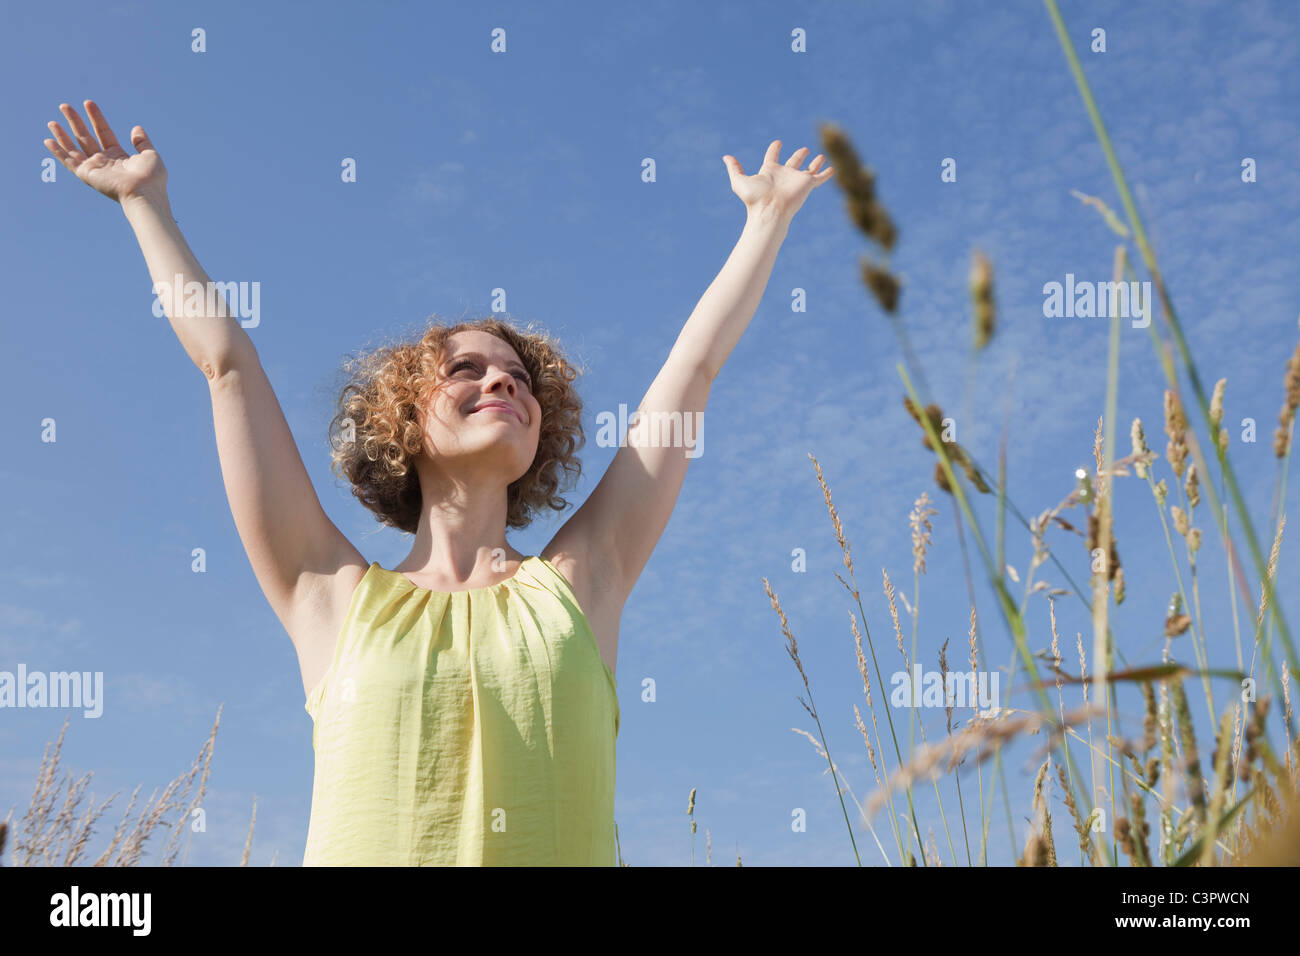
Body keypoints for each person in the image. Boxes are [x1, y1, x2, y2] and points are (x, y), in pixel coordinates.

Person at [43, 99, 834, 865]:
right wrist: (145, 205)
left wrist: (765, 224)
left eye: (521, 379)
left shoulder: (582, 583)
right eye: (467, 369)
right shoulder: (329, 596)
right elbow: (228, 369)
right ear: (404, 421)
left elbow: (690, 373)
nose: (504, 384)